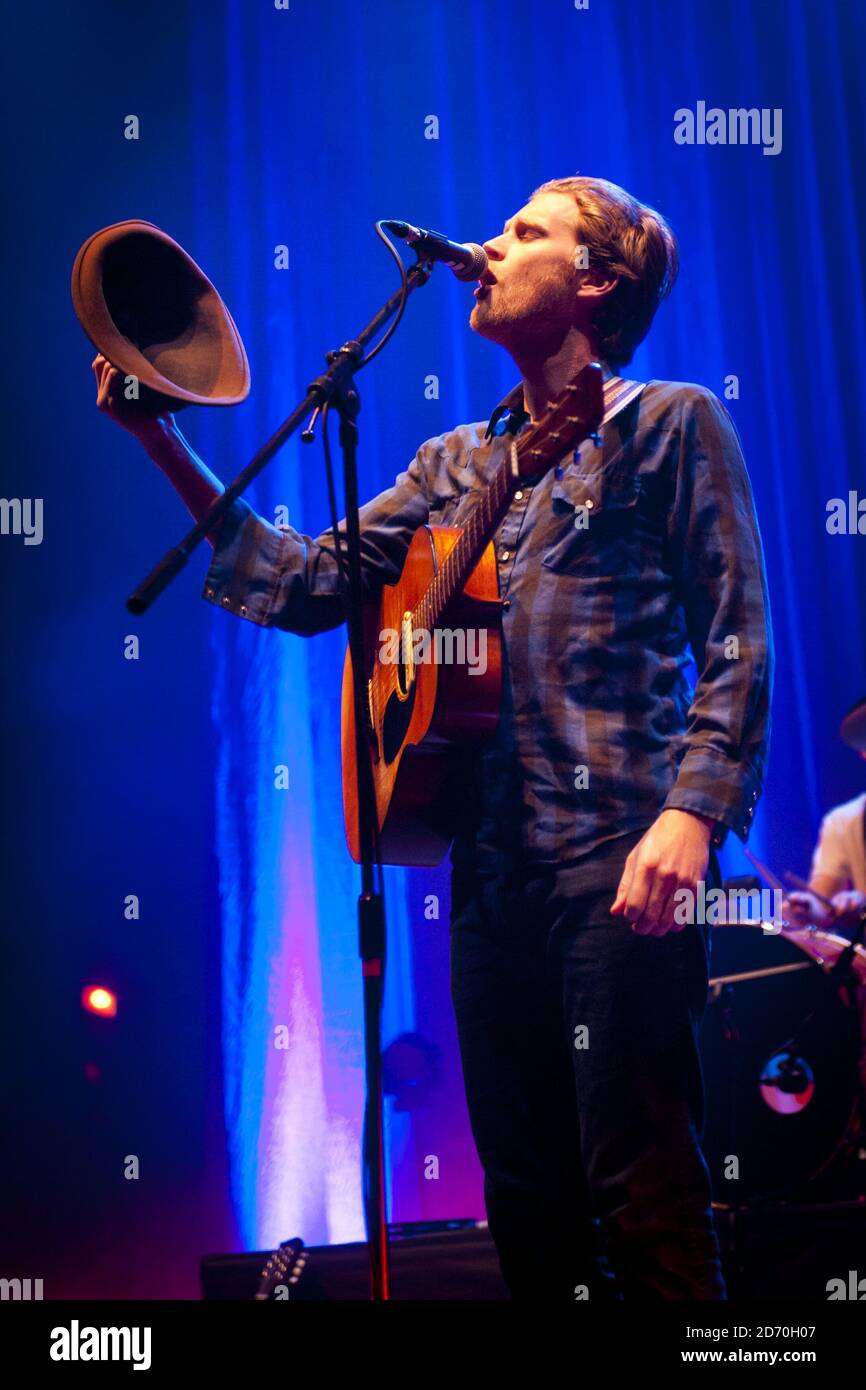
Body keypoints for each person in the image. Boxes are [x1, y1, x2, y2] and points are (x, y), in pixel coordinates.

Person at [92, 175, 774, 1300]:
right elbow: (305, 582)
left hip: (618, 853)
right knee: (529, 1206)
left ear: (595, 280)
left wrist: (692, 814)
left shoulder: (669, 422)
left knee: (642, 1188)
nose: (486, 248)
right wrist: (162, 440)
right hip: (489, 877)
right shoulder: (456, 462)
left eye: (522, 233)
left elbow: (737, 636)